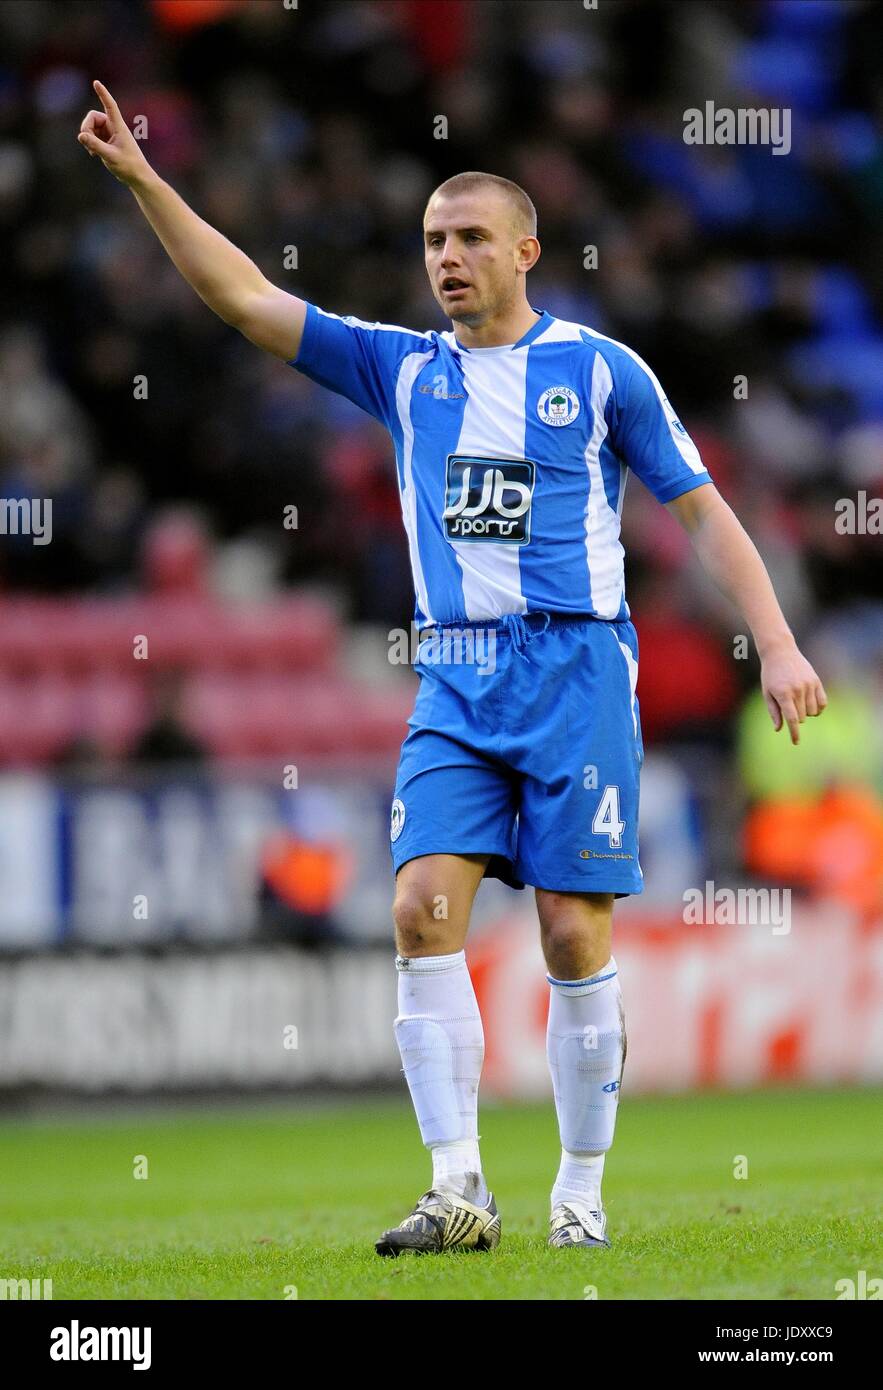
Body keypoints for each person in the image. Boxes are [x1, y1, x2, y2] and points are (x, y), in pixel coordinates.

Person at [79, 80, 828, 1256]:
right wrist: (145, 181)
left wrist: (776, 640)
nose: (449, 258)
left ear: (526, 248)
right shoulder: (401, 369)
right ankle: (457, 1188)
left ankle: (578, 1192)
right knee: (421, 910)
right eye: (434, 240)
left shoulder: (601, 371)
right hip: (456, 680)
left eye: (472, 237)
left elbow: (704, 510)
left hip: (577, 673)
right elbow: (245, 300)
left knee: (575, 939)